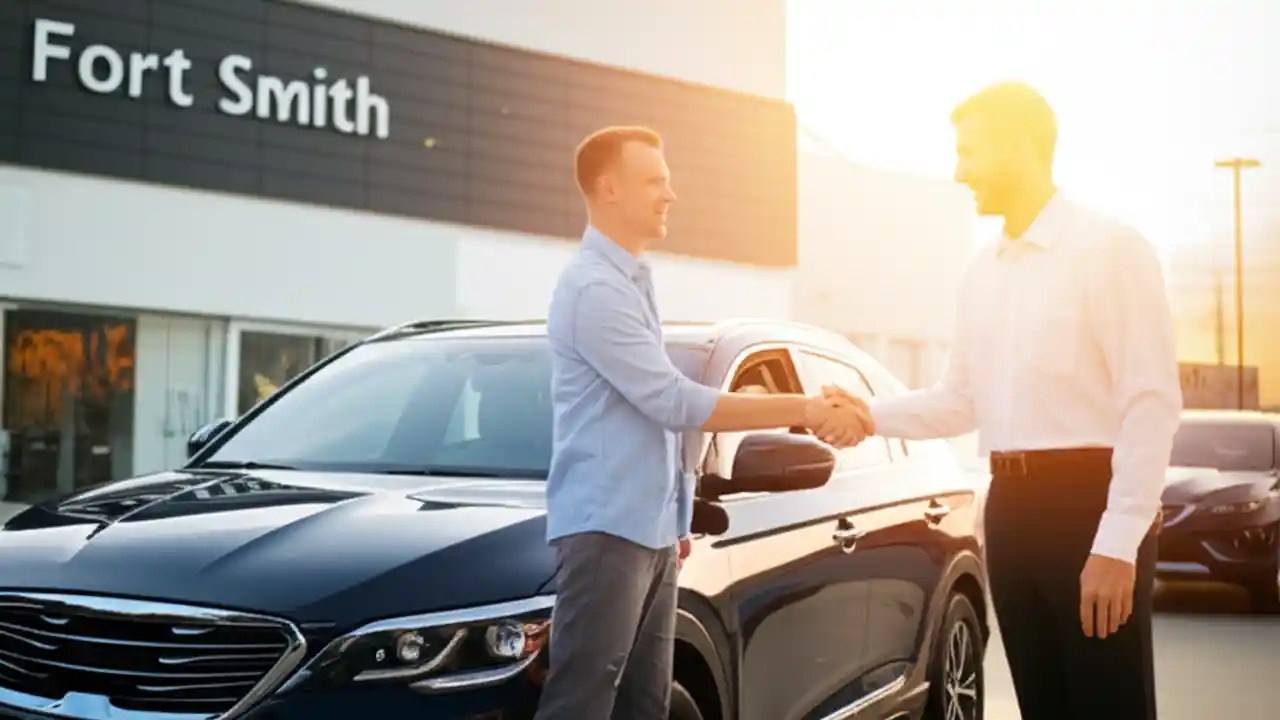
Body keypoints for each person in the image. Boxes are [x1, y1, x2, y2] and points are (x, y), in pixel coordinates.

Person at [825, 82, 1181, 719]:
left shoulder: (1110, 249)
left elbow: (1151, 403)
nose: (960, 172)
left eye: (971, 153)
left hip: (1089, 508)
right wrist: (868, 414)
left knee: (1109, 704)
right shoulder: (981, 273)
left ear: (1020, 146)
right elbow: (959, 400)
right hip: (1012, 512)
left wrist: (1117, 541)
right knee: (1044, 704)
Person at [535, 125, 872, 720]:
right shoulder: (593, 289)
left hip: (651, 532)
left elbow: (658, 417)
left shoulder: (631, 280)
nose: (671, 194)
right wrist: (804, 407)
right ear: (609, 189)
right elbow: (673, 401)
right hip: (607, 531)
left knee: (646, 704)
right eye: (655, 181)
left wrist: (677, 509)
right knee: (579, 705)